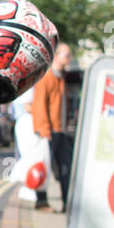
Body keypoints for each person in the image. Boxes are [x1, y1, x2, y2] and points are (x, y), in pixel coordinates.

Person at [31, 41, 73, 212]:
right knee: (44, 167)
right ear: (57, 56)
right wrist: (43, 130)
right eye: (67, 55)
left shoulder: (60, 76)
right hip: (49, 131)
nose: (69, 59)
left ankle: (67, 203)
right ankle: (41, 202)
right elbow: (39, 105)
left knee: (66, 168)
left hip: (60, 130)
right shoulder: (47, 76)